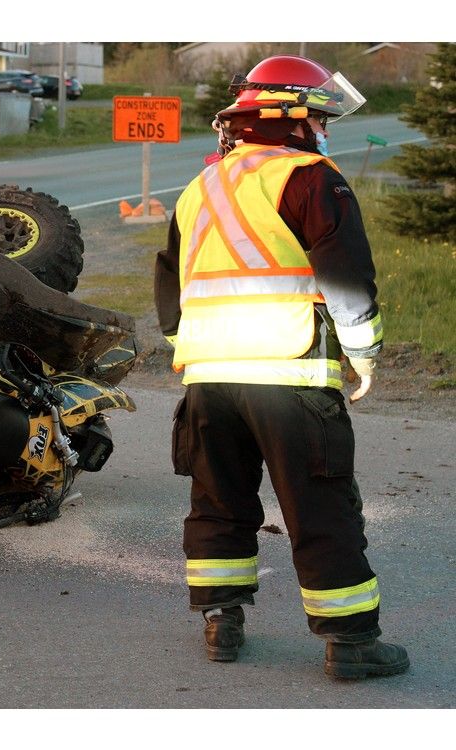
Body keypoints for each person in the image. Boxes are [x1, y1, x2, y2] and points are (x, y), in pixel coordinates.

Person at [154, 55, 409, 679]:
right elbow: (344, 274)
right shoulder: (311, 177)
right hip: (290, 373)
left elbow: (170, 292)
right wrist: (364, 351)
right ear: (291, 120)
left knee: (217, 500)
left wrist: (199, 347)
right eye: (320, 117)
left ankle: (221, 623)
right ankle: (350, 644)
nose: (325, 129)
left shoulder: (199, 188)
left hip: (209, 379)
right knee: (319, 504)